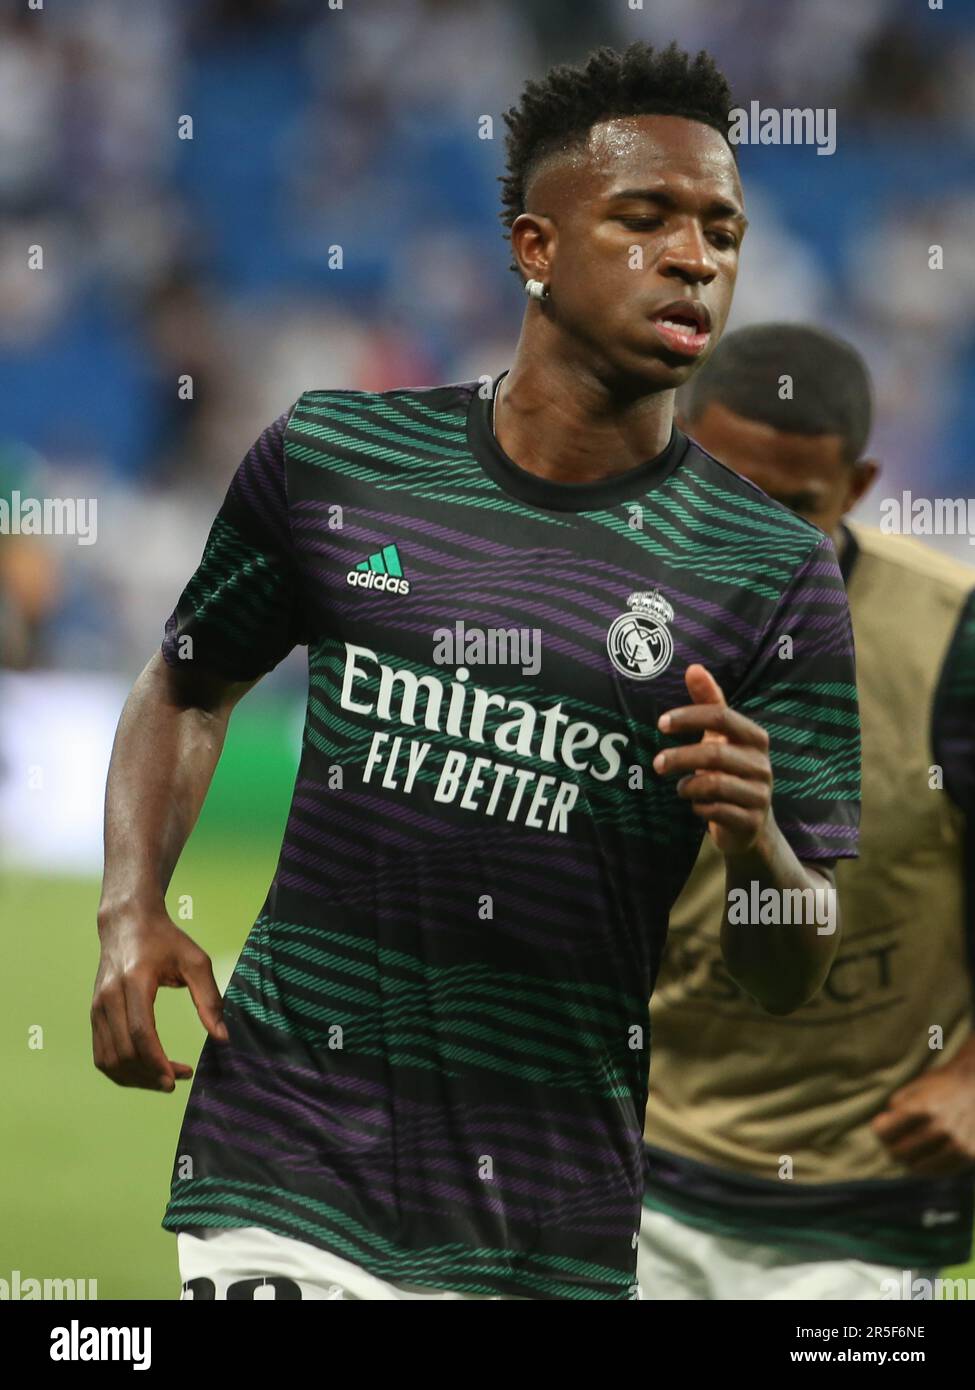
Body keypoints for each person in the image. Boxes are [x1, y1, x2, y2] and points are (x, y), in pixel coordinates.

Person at [92, 43, 860, 1301]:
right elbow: (186, 683)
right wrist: (132, 905)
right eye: (645, 218)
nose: (695, 256)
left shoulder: (772, 570)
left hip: (551, 1213)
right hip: (290, 1158)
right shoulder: (335, 457)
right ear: (535, 248)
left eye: (721, 227)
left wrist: (761, 842)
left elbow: (794, 963)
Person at [639, 323, 975, 1300]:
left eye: (795, 508)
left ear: (859, 488)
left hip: (856, 1216)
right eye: (724, 495)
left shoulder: (951, 642)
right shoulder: (592, 613)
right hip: (622, 1183)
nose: (757, 539)